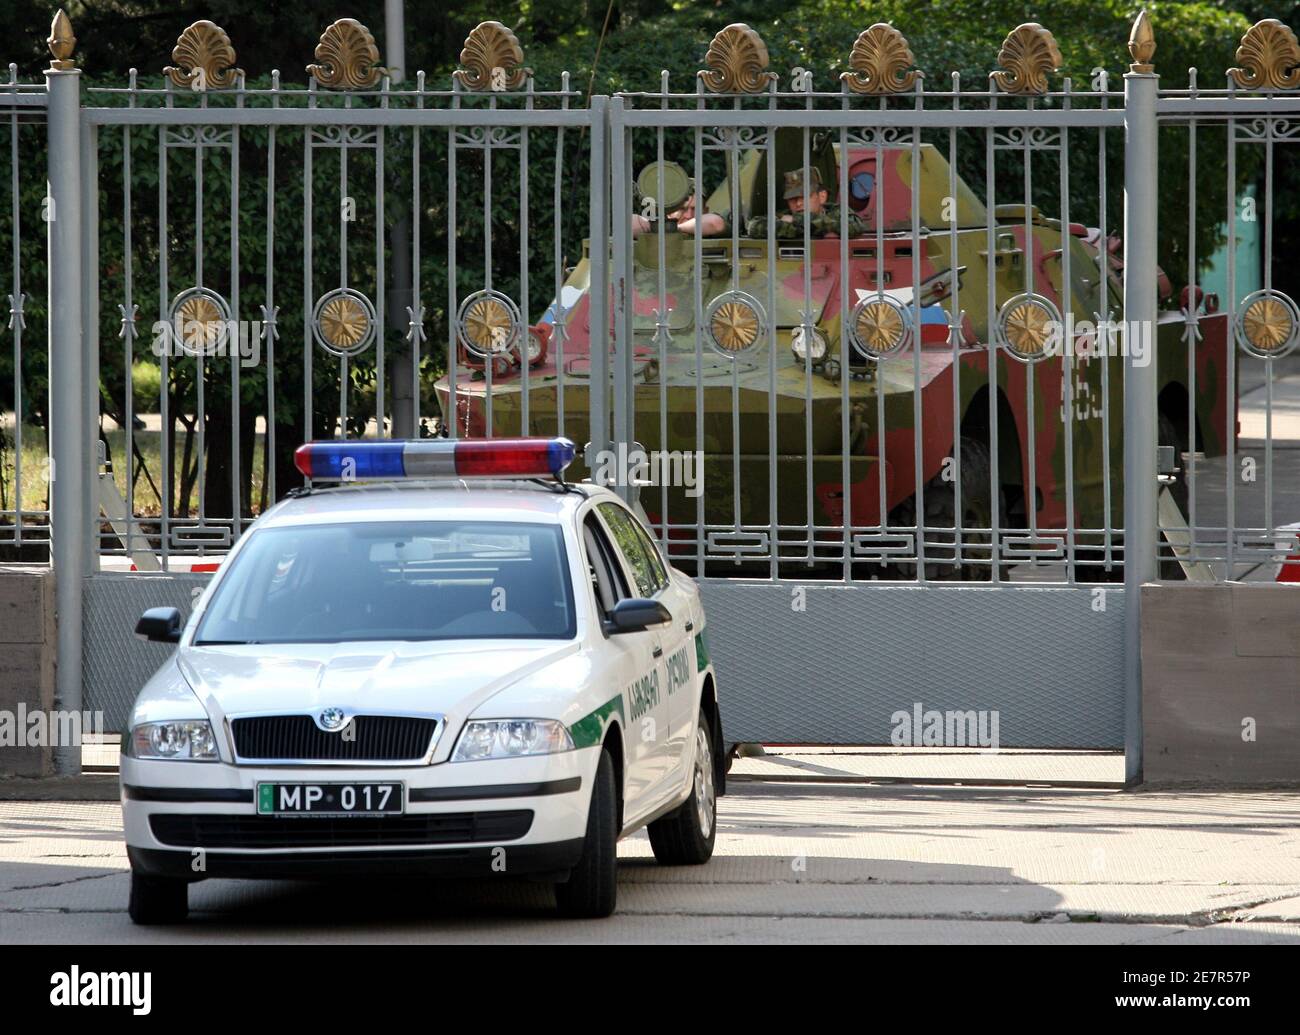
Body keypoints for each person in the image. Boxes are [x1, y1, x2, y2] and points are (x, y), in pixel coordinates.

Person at [745, 167, 867, 239]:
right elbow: (754, 227)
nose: (798, 203)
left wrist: (796, 221)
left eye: (804, 197)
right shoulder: (783, 215)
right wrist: (820, 226)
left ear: (822, 196)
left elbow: (855, 227)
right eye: (792, 198)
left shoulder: (838, 211)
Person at [631, 192, 727, 237]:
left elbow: (716, 223)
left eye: (695, 209)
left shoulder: (709, 231)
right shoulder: (654, 231)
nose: (689, 215)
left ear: (705, 211)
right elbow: (627, 224)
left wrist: (675, 228)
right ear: (668, 210)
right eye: (682, 209)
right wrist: (658, 227)